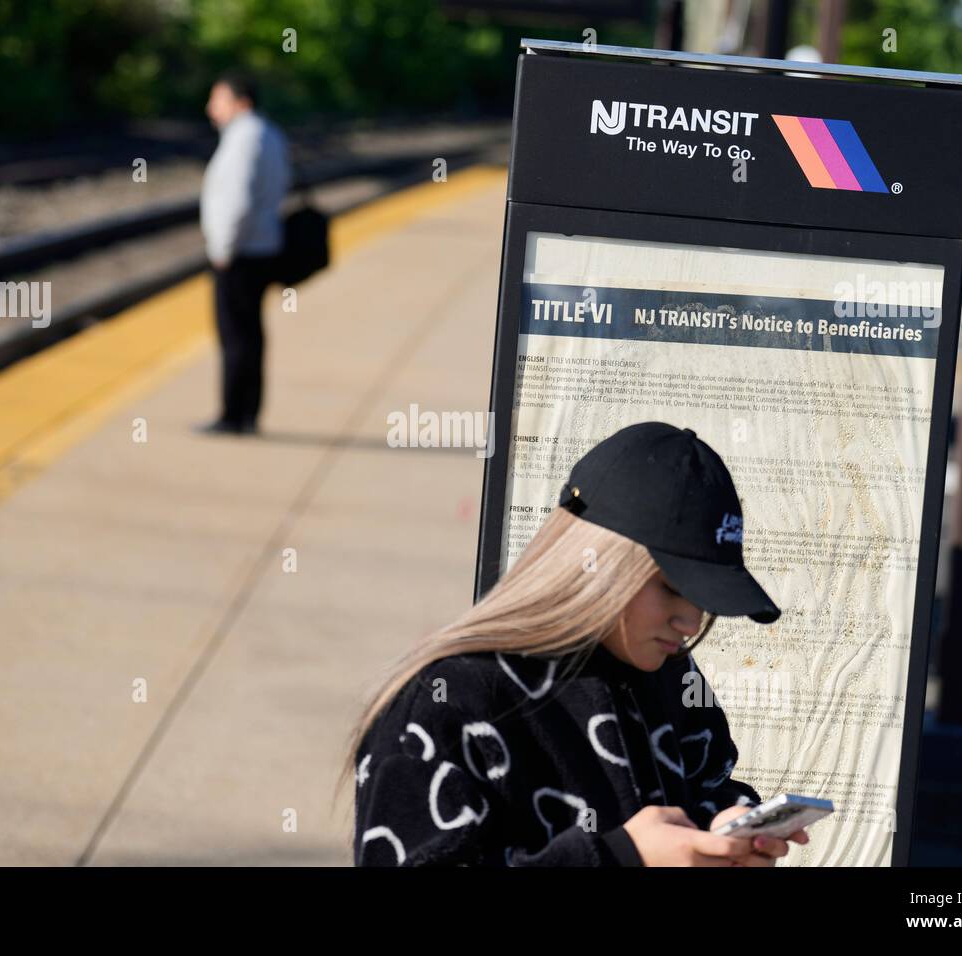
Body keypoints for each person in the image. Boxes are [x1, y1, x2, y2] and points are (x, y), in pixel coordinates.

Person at [341, 421, 809, 866]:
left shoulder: (664, 671)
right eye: (670, 586)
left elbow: (705, 786)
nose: (690, 621)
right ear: (597, 561)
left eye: (705, 598)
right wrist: (620, 857)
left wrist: (722, 828)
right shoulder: (449, 701)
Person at [199, 72, 291, 434]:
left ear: (241, 102)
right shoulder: (268, 133)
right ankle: (247, 414)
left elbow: (236, 201)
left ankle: (233, 415)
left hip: (240, 253)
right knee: (250, 333)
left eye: (217, 99)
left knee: (235, 336)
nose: (210, 108)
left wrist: (222, 249)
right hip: (263, 246)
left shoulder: (243, 139)